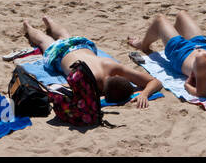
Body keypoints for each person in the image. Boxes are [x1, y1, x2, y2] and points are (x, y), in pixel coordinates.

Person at [20, 16, 161, 107]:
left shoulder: (113, 67)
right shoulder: (87, 83)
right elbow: (61, 88)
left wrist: (143, 92)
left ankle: (48, 21)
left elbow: (155, 81)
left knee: (65, 35)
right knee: (44, 41)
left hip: (81, 45)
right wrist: (143, 94)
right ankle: (28, 26)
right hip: (59, 55)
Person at [127, 12, 206, 98]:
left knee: (160, 19)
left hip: (181, 54)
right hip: (202, 46)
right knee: (181, 15)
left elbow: (203, 94)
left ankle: (143, 45)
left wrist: (187, 86)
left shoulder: (203, 61)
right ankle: (171, 35)